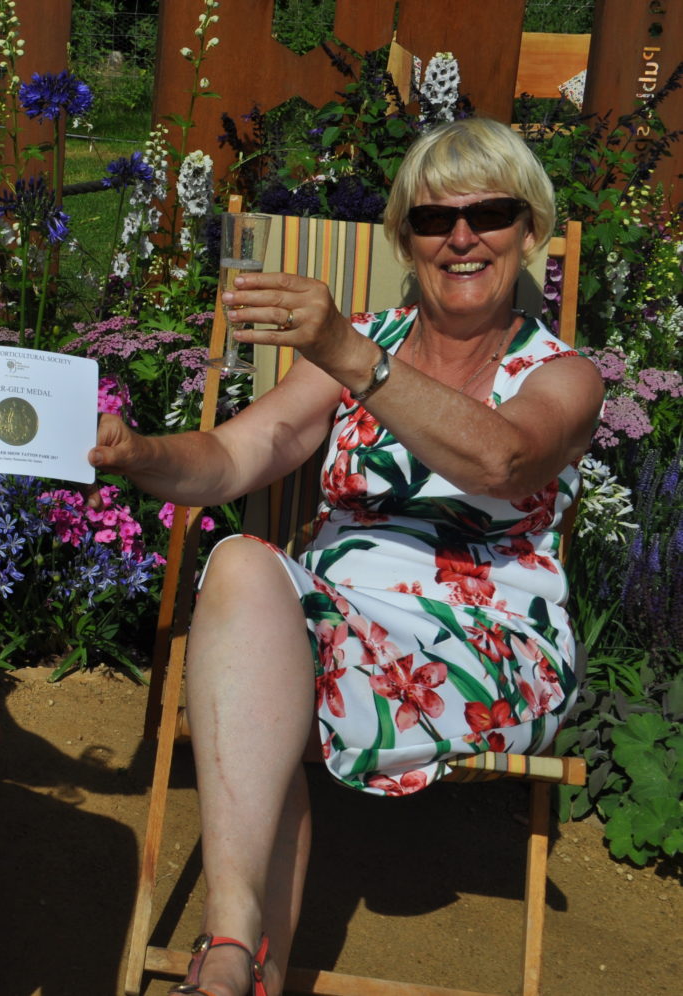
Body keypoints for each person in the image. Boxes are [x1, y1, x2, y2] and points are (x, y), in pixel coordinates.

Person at [89, 116, 602, 996]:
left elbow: (503, 460)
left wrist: (350, 356)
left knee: (270, 651)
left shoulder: (560, 375)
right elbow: (236, 457)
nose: (464, 237)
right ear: (405, 237)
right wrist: (142, 455)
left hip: (487, 642)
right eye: (437, 220)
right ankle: (233, 957)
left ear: (531, 229)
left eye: (491, 213)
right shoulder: (365, 345)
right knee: (246, 562)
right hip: (336, 624)